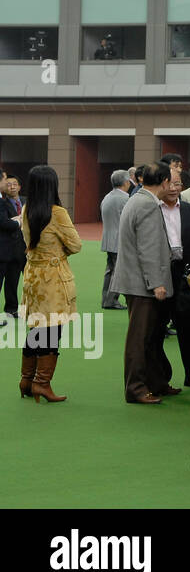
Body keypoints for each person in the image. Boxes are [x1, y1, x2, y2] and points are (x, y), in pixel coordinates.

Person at [109, 161, 176, 404]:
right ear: (165, 181)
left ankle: (154, 382)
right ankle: (136, 387)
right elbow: (148, 249)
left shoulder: (138, 199)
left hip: (137, 281)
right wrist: (156, 283)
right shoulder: (147, 204)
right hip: (142, 284)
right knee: (139, 339)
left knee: (148, 337)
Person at [16, 166, 81, 402]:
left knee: (36, 329)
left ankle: (26, 379)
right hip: (53, 278)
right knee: (53, 331)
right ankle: (42, 384)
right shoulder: (58, 213)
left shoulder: (26, 210)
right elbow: (75, 245)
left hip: (32, 276)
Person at [161, 168, 190, 389]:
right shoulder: (152, 210)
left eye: (178, 184)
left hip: (185, 273)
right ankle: (161, 377)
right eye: (169, 184)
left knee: (188, 328)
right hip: (160, 274)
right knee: (157, 329)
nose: (174, 188)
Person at [98, 171, 131, 310]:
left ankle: (106, 299)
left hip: (108, 238)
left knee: (110, 271)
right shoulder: (125, 199)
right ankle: (111, 300)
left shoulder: (107, 197)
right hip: (119, 240)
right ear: (125, 182)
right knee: (118, 272)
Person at [0, 176, 25, 319]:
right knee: (11, 280)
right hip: (12, 248)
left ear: (19, 187)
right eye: (8, 184)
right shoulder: (3, 204)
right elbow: (5, 224)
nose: (12, 187)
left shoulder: (27, 202)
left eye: (15, 184)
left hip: (28, 247)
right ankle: (11, 309)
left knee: (31, 280)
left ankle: (32, 308)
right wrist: (17, 222)